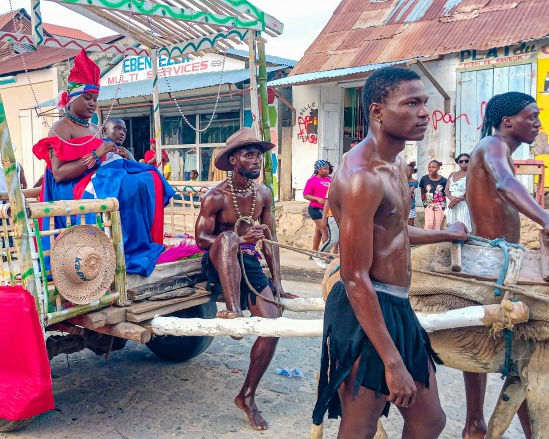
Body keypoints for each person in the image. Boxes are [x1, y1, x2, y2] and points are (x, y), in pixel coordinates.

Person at [312, 66, 469, 437]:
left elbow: (394, 231)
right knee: (360, 427)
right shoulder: (361, 176)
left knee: (430, 421)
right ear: (378, 112)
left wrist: (446, 233)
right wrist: (392, 361)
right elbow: (353, 275)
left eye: (424, 103)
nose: (423, 113)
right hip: (363, 308)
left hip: (397, 305)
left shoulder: (397, 167)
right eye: (411, 103)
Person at [462, 91, 549, 439]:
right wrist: (548, 220)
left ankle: (485, 424)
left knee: (524, 352)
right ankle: (475, 423)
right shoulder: (493, 146)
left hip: (505, 254)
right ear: (508, 121)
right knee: (521, 337)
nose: (539, 124)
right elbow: (506, 184)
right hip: (491, 258)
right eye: (533, 116)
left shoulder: (498, 150)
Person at [33, 49, 174, 277]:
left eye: (95, 99)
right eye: (87, 98)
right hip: (72, 186)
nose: (92, 103)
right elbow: (58, 174)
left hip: (96, 178)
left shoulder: (92, 127)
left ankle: (136, 245)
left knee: (149, 178)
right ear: (71, 98)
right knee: (129, 186)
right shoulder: (60, 127)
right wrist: (98, 156)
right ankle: (121, 247)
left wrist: (114, 154)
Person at [195, 127, 298, 430]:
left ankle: (247, 396)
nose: (257, 161)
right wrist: (238, 237)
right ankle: (233, 310)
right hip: (218, 260)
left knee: (273, 326)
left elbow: (270, 239)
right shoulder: (215, 196)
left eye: (260, 156)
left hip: (247, 263)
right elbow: (201, 238)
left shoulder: (262, 193)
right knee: (226, 238)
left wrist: (278, 284)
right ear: (233, 160)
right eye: (250, 155)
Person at [303, 160, 332, 254]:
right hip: (315, 208)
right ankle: (326, 254)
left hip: (326, 210)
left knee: (319, 231)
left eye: (328, 169)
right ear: (318, 169)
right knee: (325, 230)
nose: (327, 171)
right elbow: (306, 195)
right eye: (325, 169)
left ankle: (314, 252)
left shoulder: (330, 180)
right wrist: (317, 199)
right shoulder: (312, 181)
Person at [445, 153, 472, 232]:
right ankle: (453, 243)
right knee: (451, 225)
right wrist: (452, 199)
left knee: (463, 225)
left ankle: (464, 243)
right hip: (451, 203)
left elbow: (469, 191)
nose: (464, 163)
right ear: (458, 162)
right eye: (461, 161)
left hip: (463, 203)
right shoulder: (452, 174)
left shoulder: (472, 174)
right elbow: (446, 190)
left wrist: (456, 200)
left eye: (466, 161)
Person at [419, 160, 448, 230]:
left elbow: (445, 193)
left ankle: (434, 240)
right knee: (429, 224)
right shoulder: (424, 179)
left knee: (436, 225)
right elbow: (422, 191)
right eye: (429, 167)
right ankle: (426, 240)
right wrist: (424, 203)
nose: (431, 169)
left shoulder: (444, 180)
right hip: (428, 203)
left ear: (438, 168)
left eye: (433, 167)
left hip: (440, 204)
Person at [407, 161, 419, 227]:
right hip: (401, 206)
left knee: (410, 225)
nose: (406, 173)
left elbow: (408, 192)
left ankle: (410, 237)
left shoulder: (414, 182)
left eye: (408, 171)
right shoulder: (400, 181)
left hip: (410, 206)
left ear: (412, 172)